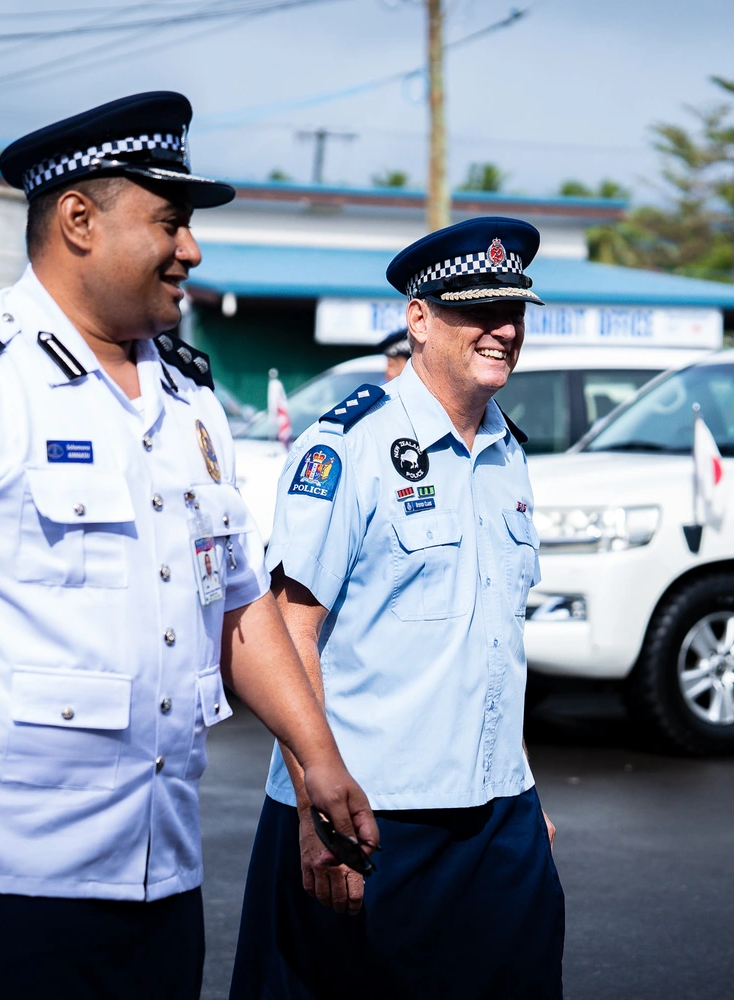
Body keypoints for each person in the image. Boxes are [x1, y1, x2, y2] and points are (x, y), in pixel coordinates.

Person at [0, 92, 376, 1000]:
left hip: (160, 876)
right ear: (78, 220)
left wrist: (320, 758)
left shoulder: (191, 401)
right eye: (170, 223)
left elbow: (239, 605)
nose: (191, 249)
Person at [230, 217, 564, 999]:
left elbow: (491, 644)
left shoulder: (508, 452)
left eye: (514, 311)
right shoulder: (346, 448)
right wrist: (317, 807)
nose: (505, 330)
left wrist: (518, 787)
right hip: (370, 818)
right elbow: (290, 632)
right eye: (480, 311)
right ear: (419, 319)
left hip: (496, 818)